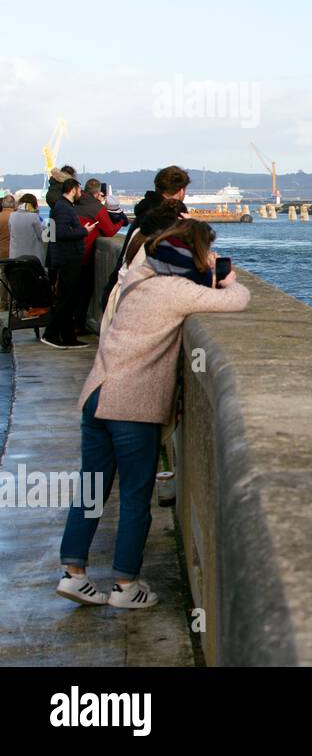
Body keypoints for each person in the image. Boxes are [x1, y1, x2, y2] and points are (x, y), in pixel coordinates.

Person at [57, 218, 250, 609]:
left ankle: (73, 573)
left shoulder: (140, 279)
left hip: (98, 392)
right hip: (132, 403)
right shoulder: (176, 291)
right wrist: (225, 279)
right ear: (194, 254)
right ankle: (126, 585)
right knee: (134, 496)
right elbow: (239, 300)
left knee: (93, 486)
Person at [102, 166, 191, 309]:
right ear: (181, 191)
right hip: (139, 301)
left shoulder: (144, 212)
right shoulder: (168, 217)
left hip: (119, 292)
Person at [72, 179, 126, 336]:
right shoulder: (97, 208)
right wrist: (121, 222)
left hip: (73, 252)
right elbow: (109, 231)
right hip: (86, 254)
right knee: (85, 292)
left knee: (74, 292)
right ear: (97, 193)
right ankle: (78, 326)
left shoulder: (75, 205)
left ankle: (74, 324)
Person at [47, 179, 92, 349]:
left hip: (66, 257)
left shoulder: (61, 206)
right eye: (79, 190)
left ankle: (67, 336)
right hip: (68, 258)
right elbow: (61, 232)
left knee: (69, 299)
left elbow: (55, 232)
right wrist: (84, 231)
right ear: (73, 190)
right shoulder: (64, 208)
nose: (81, 193)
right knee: (67, 299)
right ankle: (52, 334)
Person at [6, 194, 43, 261]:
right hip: (32, 255)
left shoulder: (12, 216)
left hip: (15, 254)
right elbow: (40, 235)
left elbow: (10, 232)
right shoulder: (34, 216)